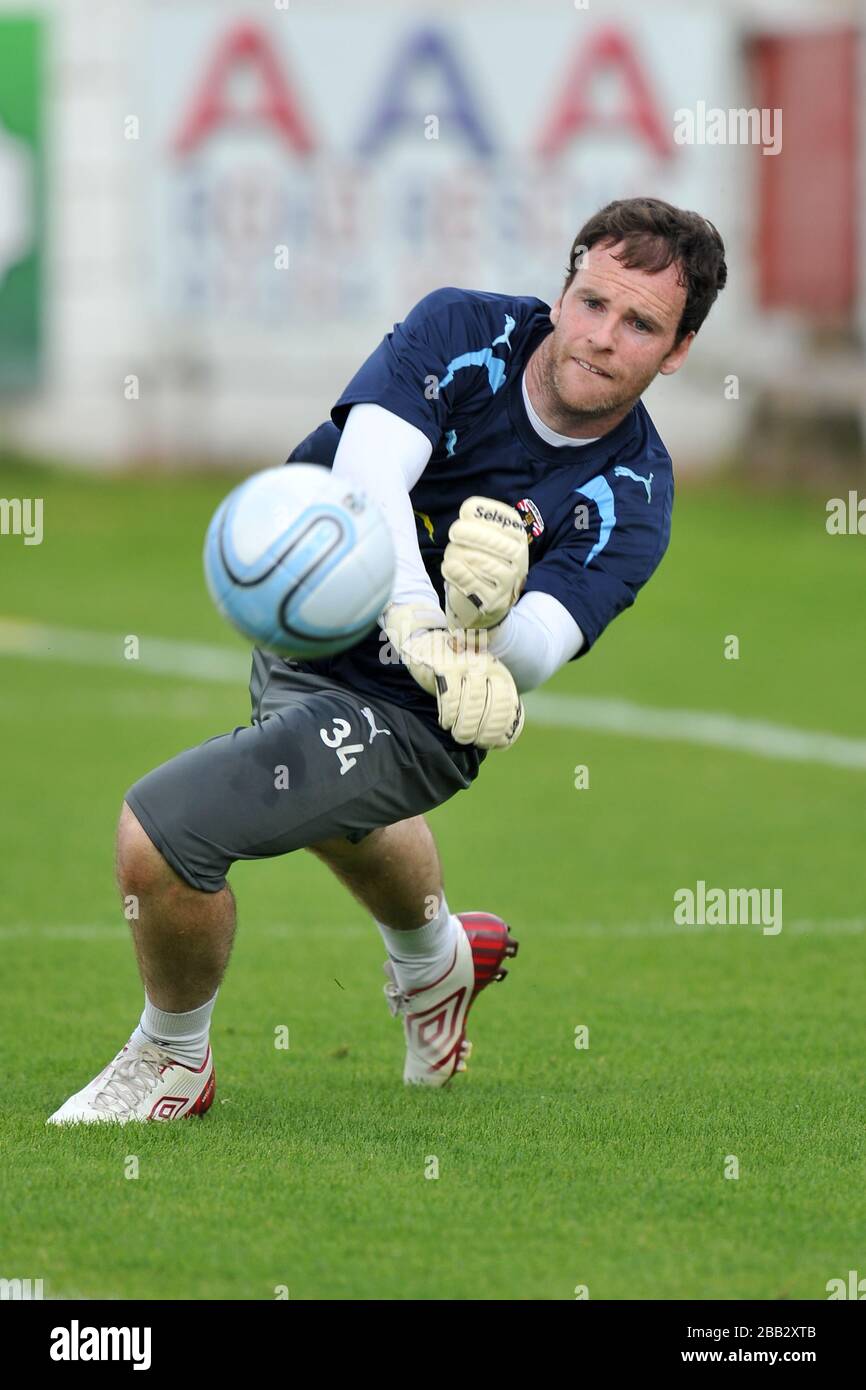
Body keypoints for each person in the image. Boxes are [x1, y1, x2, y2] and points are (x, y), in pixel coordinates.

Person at [48, 196, 727, 1123]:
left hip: (417, 718)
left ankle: (172, 1059)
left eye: (641, 324)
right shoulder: (465, 329)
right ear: (563, 287)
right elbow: (369, 472)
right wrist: (418, 612)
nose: (601, 337)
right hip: (310, 632)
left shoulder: (632, 495)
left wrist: (484, 636)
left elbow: (539, 643)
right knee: (338, 811)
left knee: (161, 841)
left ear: (678, 350)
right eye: (591, 302)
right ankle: (435, 960)